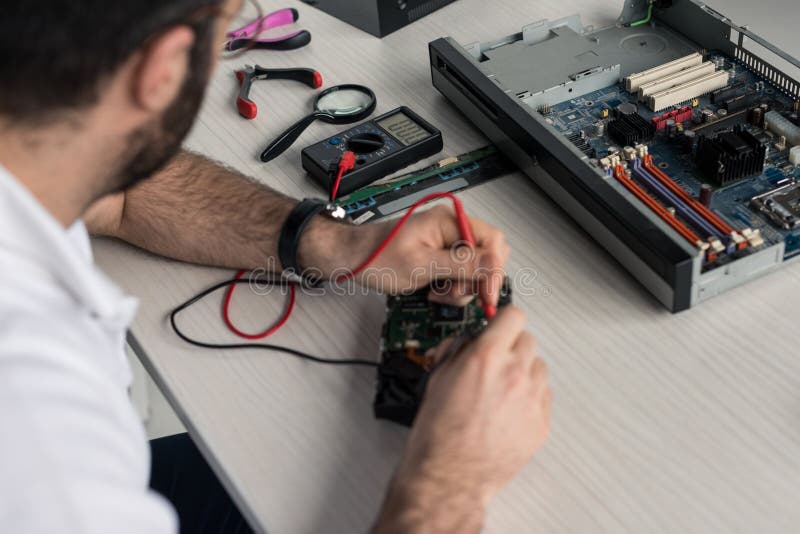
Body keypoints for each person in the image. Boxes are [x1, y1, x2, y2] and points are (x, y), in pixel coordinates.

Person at [0, 1, 552, 533]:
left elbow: (122, 193)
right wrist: (448, 484)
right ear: (162, 69)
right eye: (233, 25)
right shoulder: (39, 433)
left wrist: (333, 243)